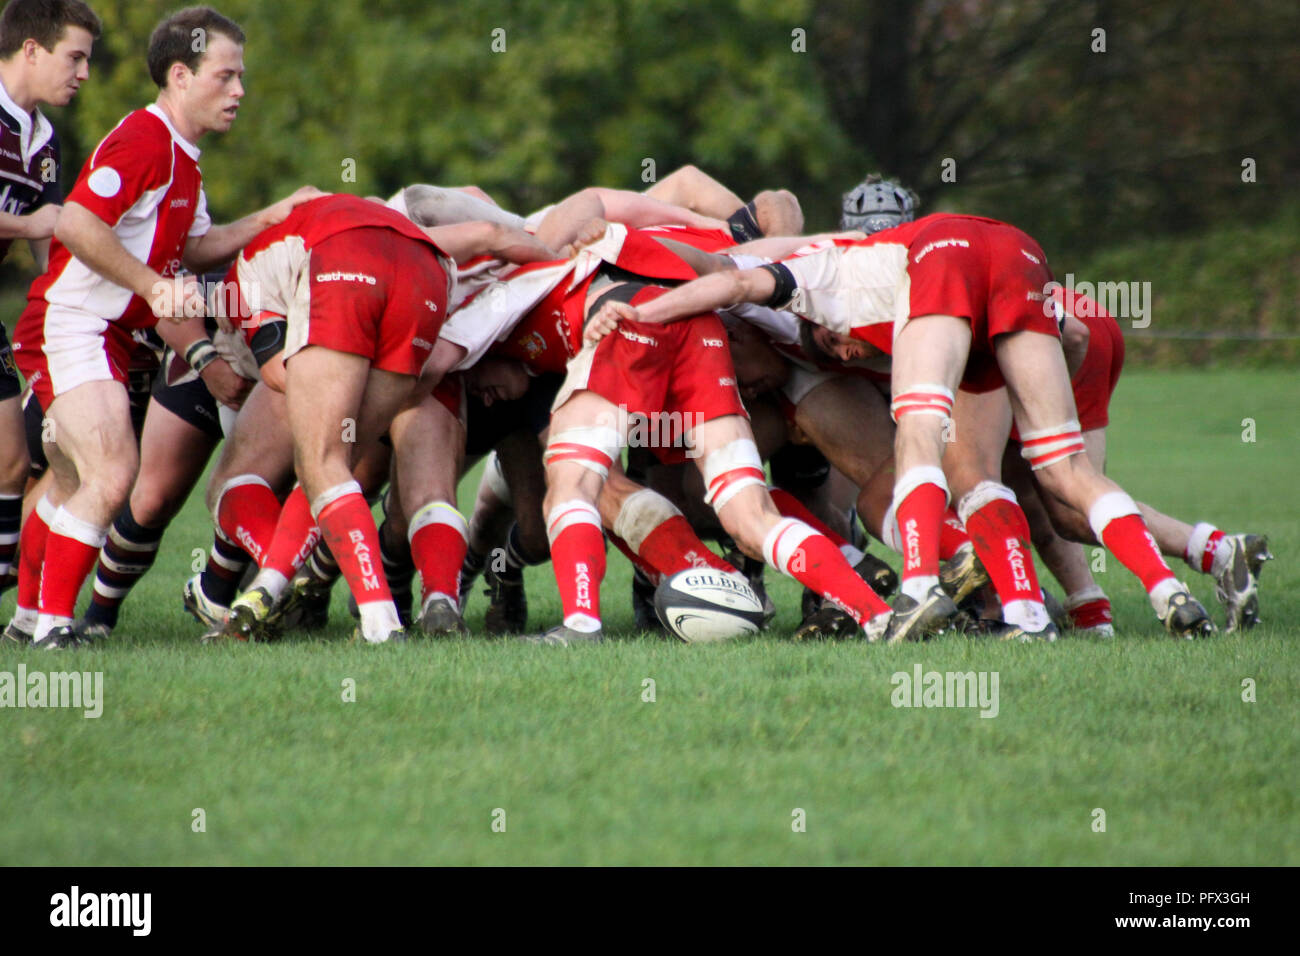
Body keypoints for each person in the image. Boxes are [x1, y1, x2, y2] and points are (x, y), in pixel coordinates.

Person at [587, 213, 1217, 642]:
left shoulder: (814, 276)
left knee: (927, 442)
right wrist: (1039, 416)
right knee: (1062, 471)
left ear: (818, 326)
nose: (849, 353)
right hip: (1022, 253)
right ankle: (1156, 592)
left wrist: (636, 306)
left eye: (841, 347)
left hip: (945, 259)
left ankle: (919, 589)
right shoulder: (846, 310)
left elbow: (728, 277)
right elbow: (1072, 332)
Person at [7, 5, 320, 648]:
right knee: (113, 472)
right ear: (181, 75)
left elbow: (199, 246)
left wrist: (274, 217)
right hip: (74, 325)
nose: (239, 91)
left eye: (241, 78)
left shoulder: (184, 156)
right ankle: (57, 631)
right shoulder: (145, 141)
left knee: (71, 480)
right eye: (226, 76)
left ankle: (30, 621)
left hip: (112, 337)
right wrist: (151, 285)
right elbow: (76, 223)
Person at [0, 0, 99, 622]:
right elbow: (37, 219)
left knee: (13, 455)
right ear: (31, 50)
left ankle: (7, 583)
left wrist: (74, 291)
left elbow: (47, 240)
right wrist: (34, 219)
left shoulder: (42, 138)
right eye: (75, 56)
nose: (84, 72)